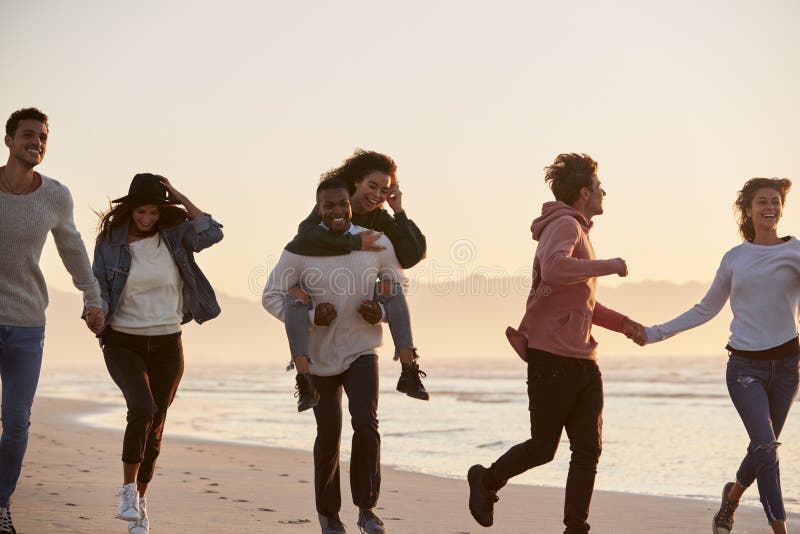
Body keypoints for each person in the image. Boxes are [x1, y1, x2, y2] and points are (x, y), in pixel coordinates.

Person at [467, 153, 643, 534]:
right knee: (544, 448)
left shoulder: (578, 230)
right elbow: (554, 268)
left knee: (588, 451)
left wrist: (624, 324)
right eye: (599, 187)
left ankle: (575, 528)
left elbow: (583, 301)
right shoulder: (564, 224)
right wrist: (610, 264)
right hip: (552, 358)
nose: (604, 192)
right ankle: (486, 480)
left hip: (583, 359)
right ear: (584, 192)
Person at [636, 178, 797, 534]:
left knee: (761, 448)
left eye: (775, 200)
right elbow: (705, 309)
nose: (769, 206)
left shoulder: (796, 252)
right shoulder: (735, 259)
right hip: (745, 368)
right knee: (767, 450)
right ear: (749, 209)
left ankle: (732, 498)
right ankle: (781, 530)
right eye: (761, 201)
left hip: (788, 368)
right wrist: (653, 333)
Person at [263, 178, 406, 534]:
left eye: (342, 203)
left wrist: (383, 313)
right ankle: (329, 516)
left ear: (350, 203)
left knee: (366, 424)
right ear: (319, 209)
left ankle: (367, 510)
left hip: (361, 348)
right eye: (329, 206)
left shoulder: (375, 242)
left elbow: (397, 285)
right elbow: (271, 296)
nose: (338, 211)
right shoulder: (302, 249)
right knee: (329, 434)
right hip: (319, 355)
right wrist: (311, 317)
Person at [92, 173, 223, 534]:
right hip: (123, 340)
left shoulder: (175, 234)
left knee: (157, 422)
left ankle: (141, 503)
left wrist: (179, 194)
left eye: (153, 212)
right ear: (130, 210)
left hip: (168, 341)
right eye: (140, 212)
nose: (147, 219)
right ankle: (126, 491)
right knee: (143, 407)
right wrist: (95, 312)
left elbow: (213, 232)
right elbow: (98, 286)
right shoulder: (109, 242)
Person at [0, 108, 104, 534]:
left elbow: (73, 249)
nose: (36, 142)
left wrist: (92, 297)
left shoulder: (56, 196)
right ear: (8, 139)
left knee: (18, 422)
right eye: (28, 135)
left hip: (26, 322)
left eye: (43, 137)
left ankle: (0, 502)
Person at [282, 149, 428, 412]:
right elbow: (303, 238)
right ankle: (302, 376)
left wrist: (398, 210)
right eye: (372, 185)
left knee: (392, 286)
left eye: (384, 190)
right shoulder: (333, 207)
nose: (377, 194)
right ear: (355, 182)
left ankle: (409, 368)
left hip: (360, 296)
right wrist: (354, 242)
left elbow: (412, 254)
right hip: (325, 293)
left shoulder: (380, 218)